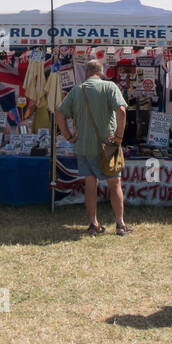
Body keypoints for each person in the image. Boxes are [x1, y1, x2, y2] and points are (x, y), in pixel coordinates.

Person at [56, 59, 130, 236]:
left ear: (86, 72)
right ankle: (120, 224)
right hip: (109, 145)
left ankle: (93, 224)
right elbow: (121, 111)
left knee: (90, 184)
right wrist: (119, 136)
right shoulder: (109, 87)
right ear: (101, 72)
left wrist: (67, 135)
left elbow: (59, 113)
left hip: (84, 146)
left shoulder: (76, 90)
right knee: (115, 184)